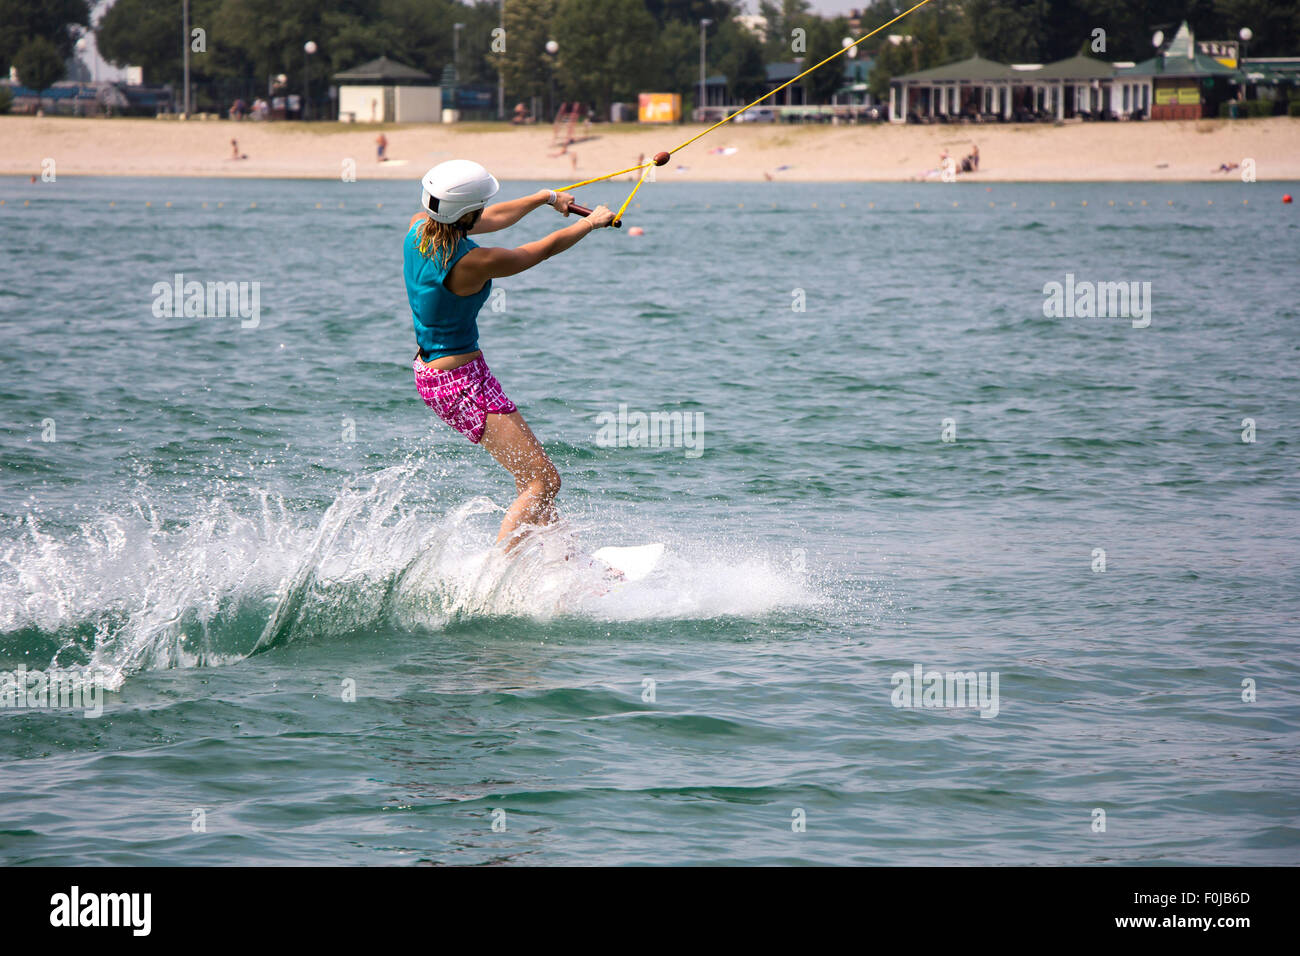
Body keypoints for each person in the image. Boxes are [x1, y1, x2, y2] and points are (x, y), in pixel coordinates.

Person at [404, 160, 615, 546]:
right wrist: (589, 222)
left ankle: (560, 561)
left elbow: (491, 219)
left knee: (531, 479)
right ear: (467, 214)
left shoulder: (420, 227)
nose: (485, 211)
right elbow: (539, 251)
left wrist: (545, 198)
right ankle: (494, 576)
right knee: (543, 480)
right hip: (459, 382)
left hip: (442, 373)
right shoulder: (476, 262)